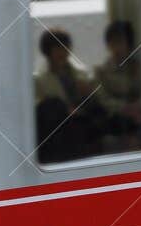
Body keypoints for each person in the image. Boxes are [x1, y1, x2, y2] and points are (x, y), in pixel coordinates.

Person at [34, 29, 96, 162]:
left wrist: (87, 93)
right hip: (60, 128)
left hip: (84, 121)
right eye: (57, 48)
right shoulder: (39, 79)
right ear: (47, 51)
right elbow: (42, 109)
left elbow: (95, 101)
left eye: (65, 47)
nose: (62, 52)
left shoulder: (81, 73)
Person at [93, 20, 141, 149]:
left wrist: (139, 106)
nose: (117, 47)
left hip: (140, 116)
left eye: (121, 42)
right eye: (113, 42)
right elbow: (103, 99)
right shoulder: (101, 71)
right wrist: (125, 107)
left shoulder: (139, 68)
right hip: (115, 119)